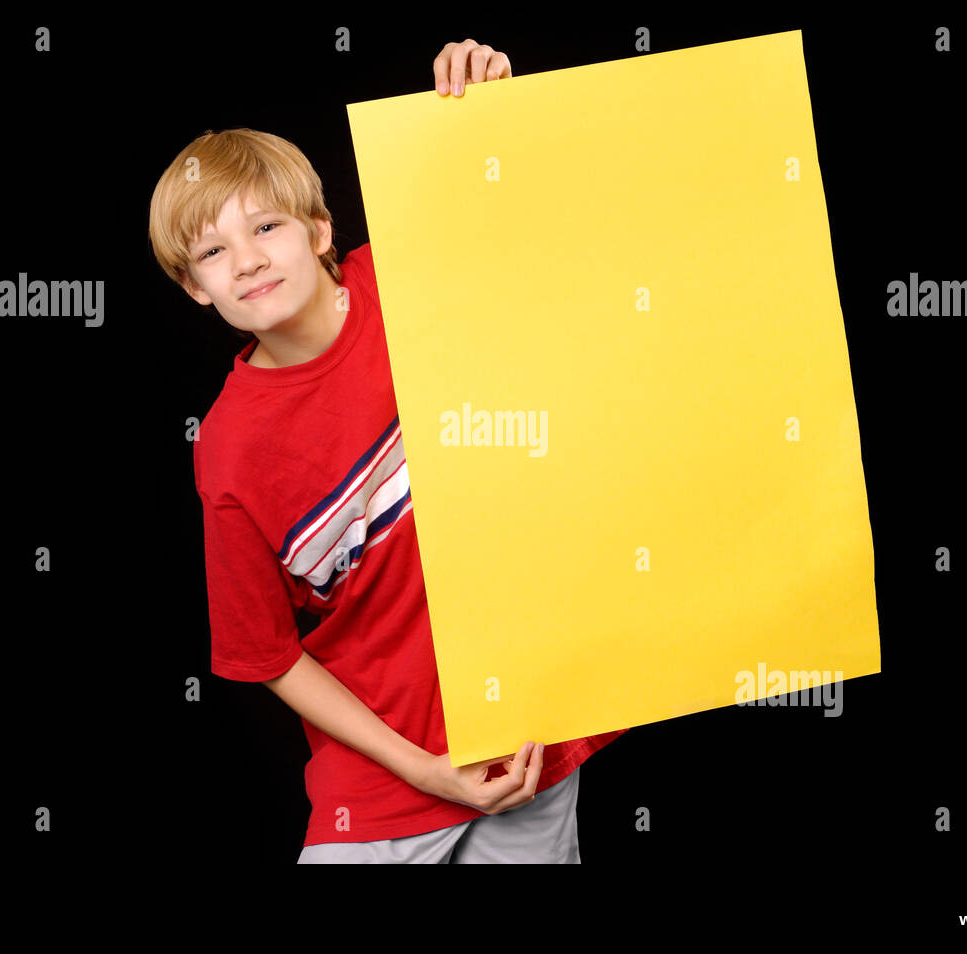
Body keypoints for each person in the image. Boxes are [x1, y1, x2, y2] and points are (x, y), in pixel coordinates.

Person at [147, 40, 628, 863]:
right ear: (195, 287)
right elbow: (265, 652)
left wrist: (496, 107)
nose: (249, 260)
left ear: (320, 228)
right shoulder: (228, 450)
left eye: (267, 226)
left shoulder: (411, 276)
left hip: (526, 740)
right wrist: (425, 771)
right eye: (214, 252)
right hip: (378, 791)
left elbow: (544, 224)